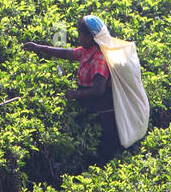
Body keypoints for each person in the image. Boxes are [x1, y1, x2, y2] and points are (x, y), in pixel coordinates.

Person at [23, 16, 120, 164]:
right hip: (92, 111)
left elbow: (98, 90)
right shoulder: (87, 51)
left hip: (104, 118)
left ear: (90, 37)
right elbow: (66, 53)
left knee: (104, 158)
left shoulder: (99, 58)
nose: (78, 37)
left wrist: (76, 94)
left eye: (81, 34)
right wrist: (38, 48)